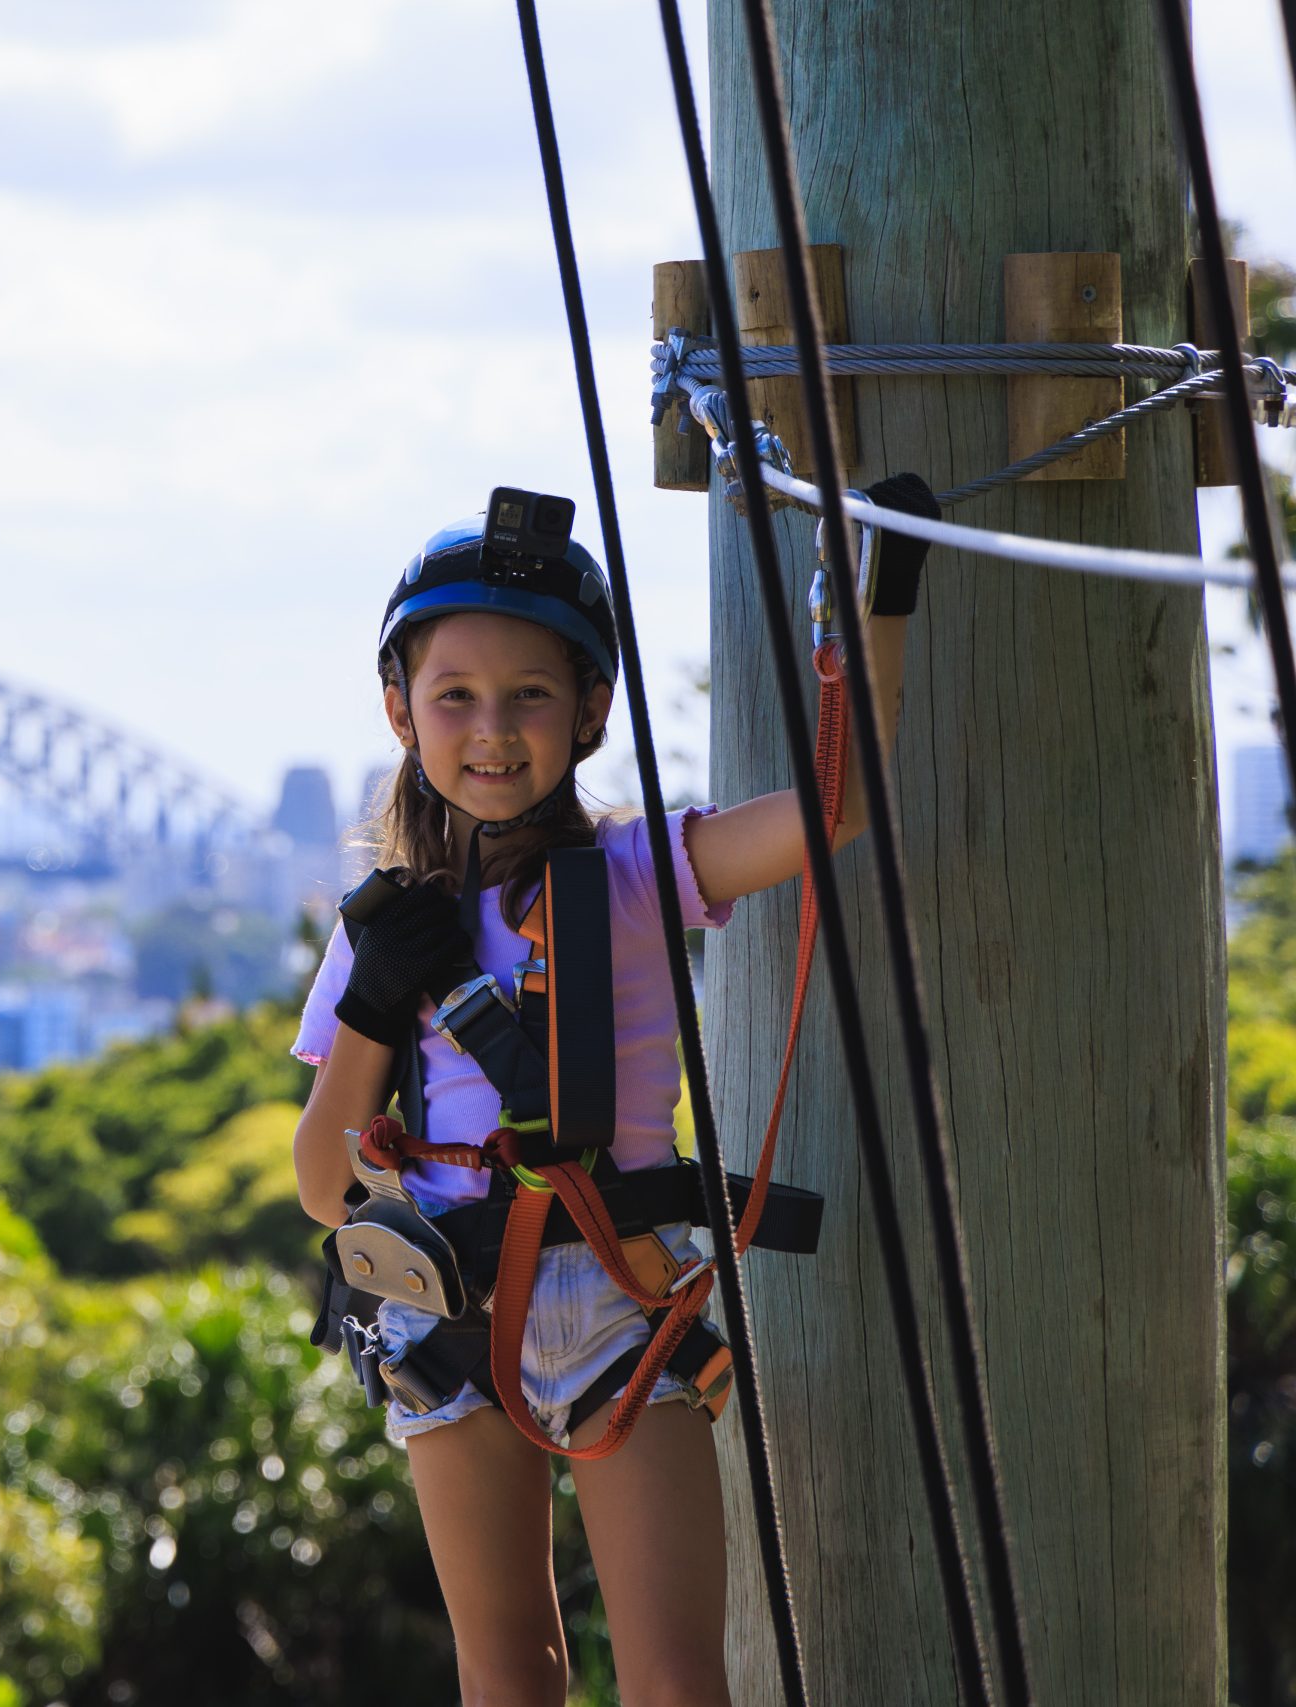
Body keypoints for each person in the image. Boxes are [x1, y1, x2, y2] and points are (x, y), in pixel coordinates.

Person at [288, 491, 916, 1706]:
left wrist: (867, 614)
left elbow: (837, 810)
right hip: (448, 1310)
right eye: (453, 695)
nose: (491, 729)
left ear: (587, 710)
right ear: (397, 708)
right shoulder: (379, 934)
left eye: (529, 694)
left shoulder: (632, 871)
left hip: (624, 1299)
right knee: (508, 1676)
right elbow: (325, 1185)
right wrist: (376, 1000)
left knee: (679, 1683)